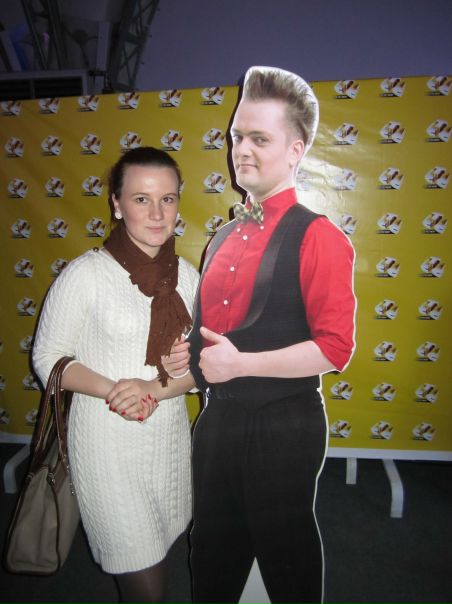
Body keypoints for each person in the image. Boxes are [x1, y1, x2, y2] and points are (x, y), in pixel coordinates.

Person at [163, 66, 356, 604]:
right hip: (218, 421)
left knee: (286, 559)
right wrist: (189, 356)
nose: (241, 150)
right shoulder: (221, 236)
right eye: (236, 136)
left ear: (295, 151)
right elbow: (213, 337)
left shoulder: (320, 236)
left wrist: (243, 364)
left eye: (259, 139)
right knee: (211, 555)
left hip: (284, 424)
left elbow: (335, 348)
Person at [32, 146, 199, 604]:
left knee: (159, 547)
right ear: (117, 204)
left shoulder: (188, 277)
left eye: (167, 198)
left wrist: (158, 385)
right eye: (141, 199)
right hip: (106, 447)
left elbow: (205, 367)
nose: (157, 213)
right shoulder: (85, 274)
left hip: (167, 441)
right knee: (143, 579)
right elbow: (47, 358)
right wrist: (115, 391)